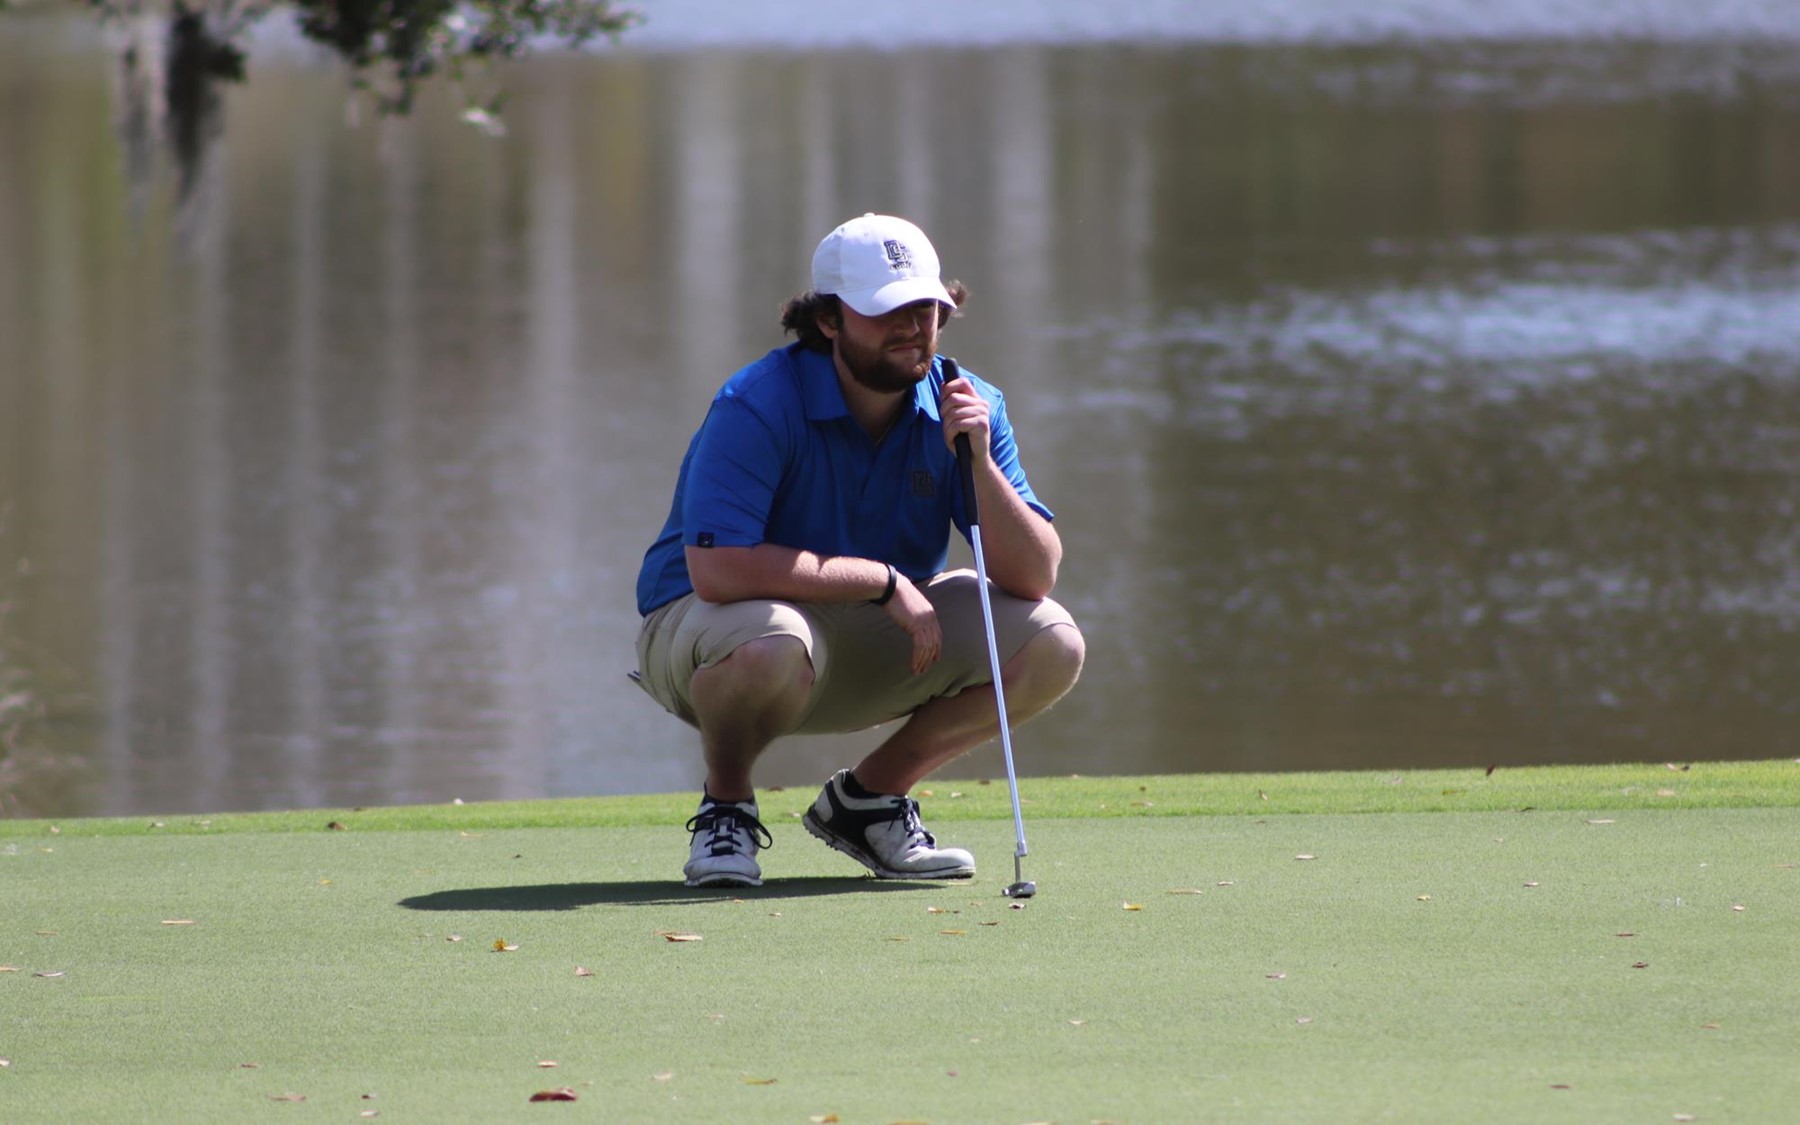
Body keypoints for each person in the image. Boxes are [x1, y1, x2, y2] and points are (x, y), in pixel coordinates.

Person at [633, 213, 1085, 888]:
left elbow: (1034, 572)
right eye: (887, 311)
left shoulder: (969, 404)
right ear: (828, 322)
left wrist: (980, 464)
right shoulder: (757, 404)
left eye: (926, 306)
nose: (912, 326)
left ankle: (868, 802)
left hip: (864, 637)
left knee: (1052, 642)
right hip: (710, 632)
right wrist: (881, 582)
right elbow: (718, 569)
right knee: (772, 640)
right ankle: (726, 806)